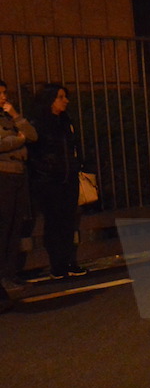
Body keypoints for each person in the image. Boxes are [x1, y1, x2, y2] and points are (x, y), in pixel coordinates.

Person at [27, 84, 87, 279]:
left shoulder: (66, 121)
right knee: (54, 221)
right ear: (49, 100)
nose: (65, 101)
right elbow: (34, 153)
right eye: (60, 97)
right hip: (49, 180)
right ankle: (57, 265)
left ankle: (69, 261)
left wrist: (77, 166)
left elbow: (73, 147)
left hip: (68, 177)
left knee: (69, 221)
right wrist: (45, 171)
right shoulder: (38, 123)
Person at [0, 80, 36, 303]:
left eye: (4, 92)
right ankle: (3, 277)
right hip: (3, 175)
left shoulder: (7, 116)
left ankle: (11, 274)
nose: (4, 97)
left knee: (15, 226)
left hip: (18, 174)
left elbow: (32, 135)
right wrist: (19, 139)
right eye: (0, 93)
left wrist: (15, 114)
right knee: (4, 226)